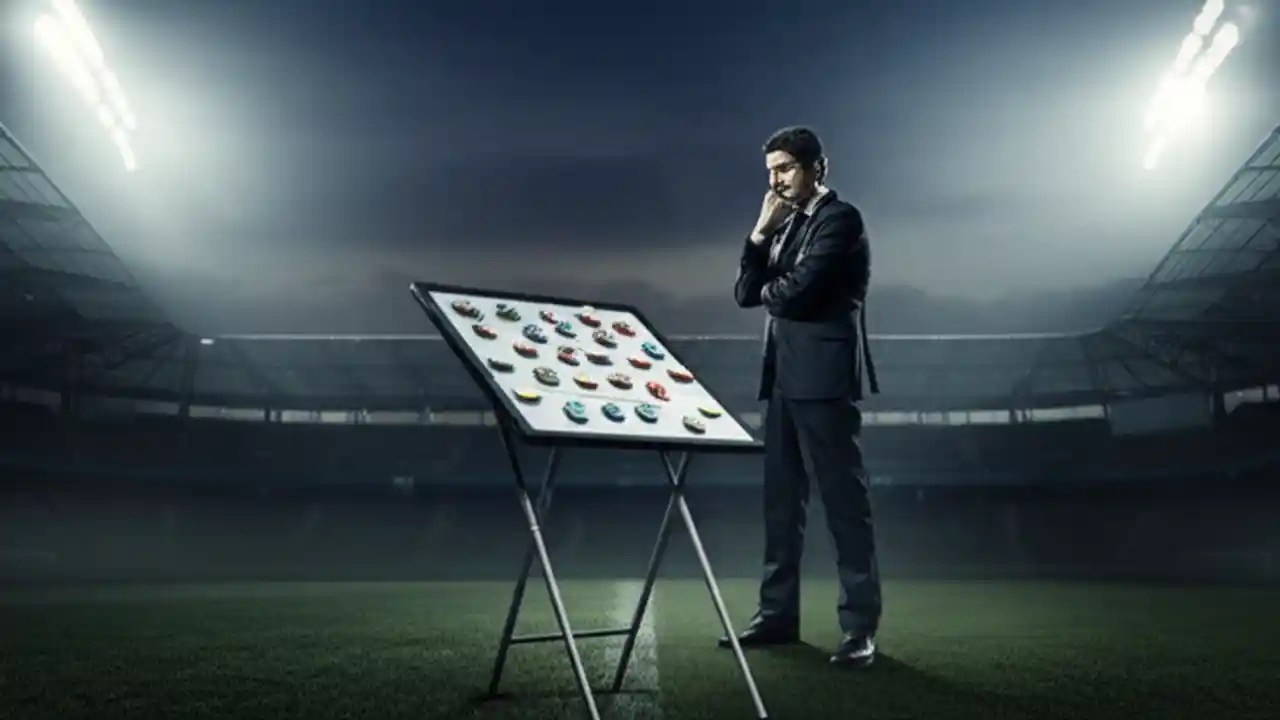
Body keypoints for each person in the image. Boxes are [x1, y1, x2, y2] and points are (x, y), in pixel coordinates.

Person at [725, 125, 882, 666]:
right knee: (780, 506)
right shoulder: (787, 225)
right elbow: (747, 293)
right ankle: (776, 618)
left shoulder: (841, 219)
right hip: (785, 383)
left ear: (819, 166)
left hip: (824, 379)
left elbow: (795, 294)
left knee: (845, 506)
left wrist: (775, 287)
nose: (776, 180)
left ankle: (859, 629)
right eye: (771, 170)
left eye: (786, 167)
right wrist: (759, 233)